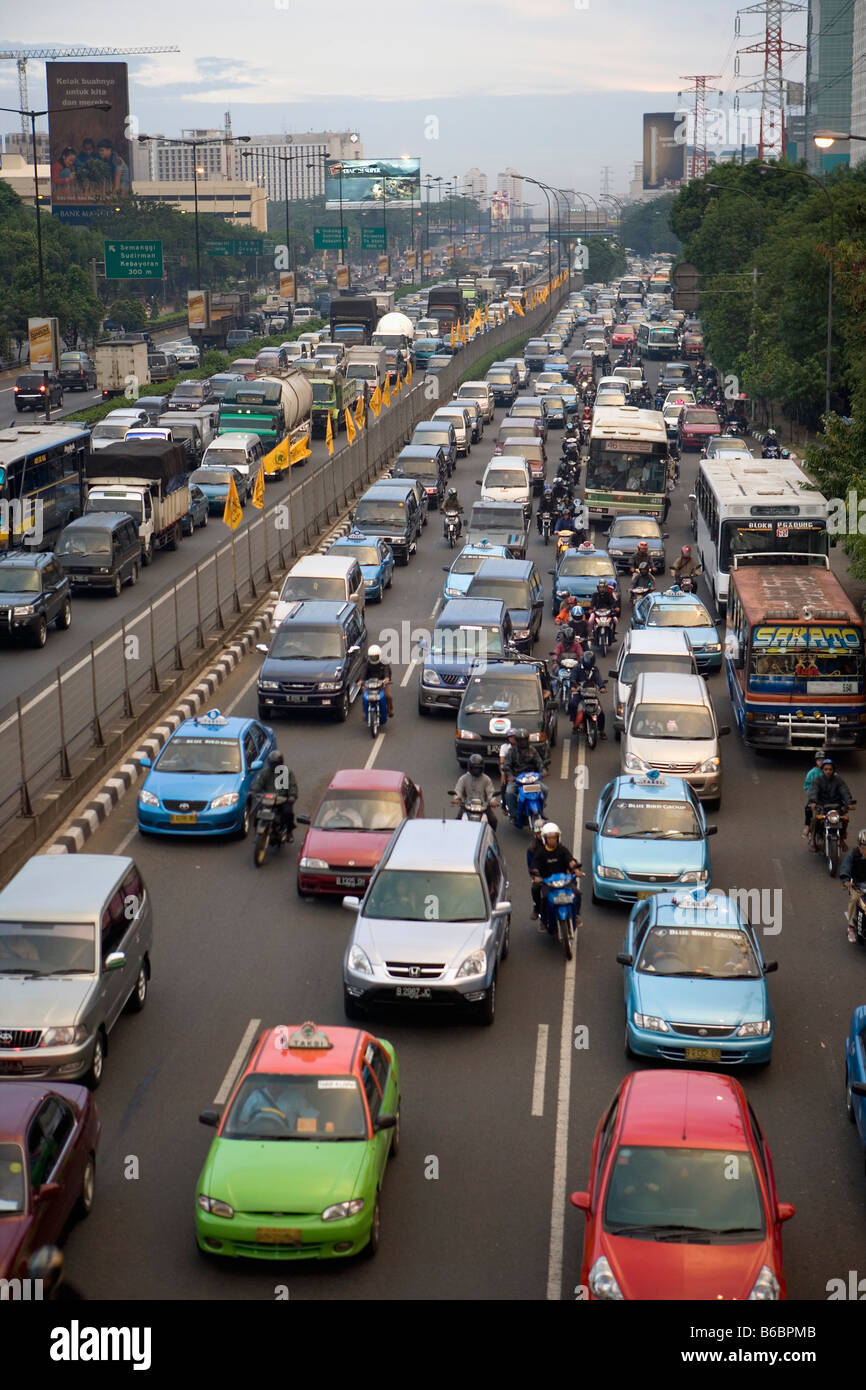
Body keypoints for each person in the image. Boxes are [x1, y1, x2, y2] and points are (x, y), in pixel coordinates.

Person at [529, 822, 583, 930]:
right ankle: (544, 921)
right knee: (544, 899)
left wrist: (575, 869)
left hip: (564, 881)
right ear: (545, 839)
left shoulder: (562, 850)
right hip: (548, 883)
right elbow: (535, 865)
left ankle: (576, 915)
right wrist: (536, 876)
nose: (552, 840)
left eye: (554, 838)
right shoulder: (540, 853)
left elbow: (570, 860)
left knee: (577, 894)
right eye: (549, 838)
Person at [501, 728, 547, 823]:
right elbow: (506, 765)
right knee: (509, 792)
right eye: (520, 740)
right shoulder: (512, 752)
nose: (522, 742)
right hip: (517, 779)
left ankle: (541, 810)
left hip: (531, 778)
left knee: (545, 789)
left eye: (524, 740)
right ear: (517, 741)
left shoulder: (532, 750)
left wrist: (543, 771)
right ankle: (514, 815)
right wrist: (510, 776)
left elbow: (539, 762)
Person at [251, 748, 298, 839]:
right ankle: (257, 830)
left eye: (275, 763)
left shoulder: (286, 772)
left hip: (282, 799)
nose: (274, 765)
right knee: (257, 811)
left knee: (287, 812)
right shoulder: (265, 772)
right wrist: (253, 791)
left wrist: (292, 796)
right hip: (268, 799)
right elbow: (259, 784)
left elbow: (292, 785)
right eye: (272, 763)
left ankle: (289, 832)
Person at [809, 757, 854, 852]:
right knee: (815, 819)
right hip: (822, 806)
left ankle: (841, 838)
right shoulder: (817, 780)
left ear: (833, 770)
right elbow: (813, 791)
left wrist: (849, 802)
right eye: (826, 769)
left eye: (830, 769)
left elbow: (844, 791)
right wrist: (813, 801)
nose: (828, 771)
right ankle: (812, 840)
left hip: (836, 806)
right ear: (822, 770)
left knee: (844, 819)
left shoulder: (838, 780)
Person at [453, 754, 498, 828]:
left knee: (493, 820)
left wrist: (492, 801)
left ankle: (491, 836)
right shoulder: (463, 779)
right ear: (470, 767)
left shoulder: (486, 779)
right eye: (474, 768)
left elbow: (490, 792)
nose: (476, 770)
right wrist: (457, 798)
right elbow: (458, 790)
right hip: (466, 806)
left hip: (483, 807)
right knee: (457, 821)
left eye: (478, 768)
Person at [570, 649, 608, 738]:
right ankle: (575, 724)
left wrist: (602, 687)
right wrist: (573, 686)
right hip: (580, 693)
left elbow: (598, 679)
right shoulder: (577, 668)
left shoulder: (595, 670)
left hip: (592, 694)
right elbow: (572, 678)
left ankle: (601, 731)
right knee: (572, 704)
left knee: (601, 713)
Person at [840, 830, 866, 943]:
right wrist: (846, 879)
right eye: (864, 846)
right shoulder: (853, 854)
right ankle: (850, 927)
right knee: (855, 899)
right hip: (858, 885)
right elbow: (846, 866)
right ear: (860, 845)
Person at [359, 643, 394, 717]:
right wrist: (361, 680)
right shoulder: (367, 664)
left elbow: (387, 671)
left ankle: (389, 710)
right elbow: (363, 672)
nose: (373, 658)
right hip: (369, 683)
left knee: (388, 696)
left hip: (381, 683)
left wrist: (386, 678)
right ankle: (365, 710)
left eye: (375, 657)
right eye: (372, 657)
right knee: (364, 696)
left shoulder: (384, 663)